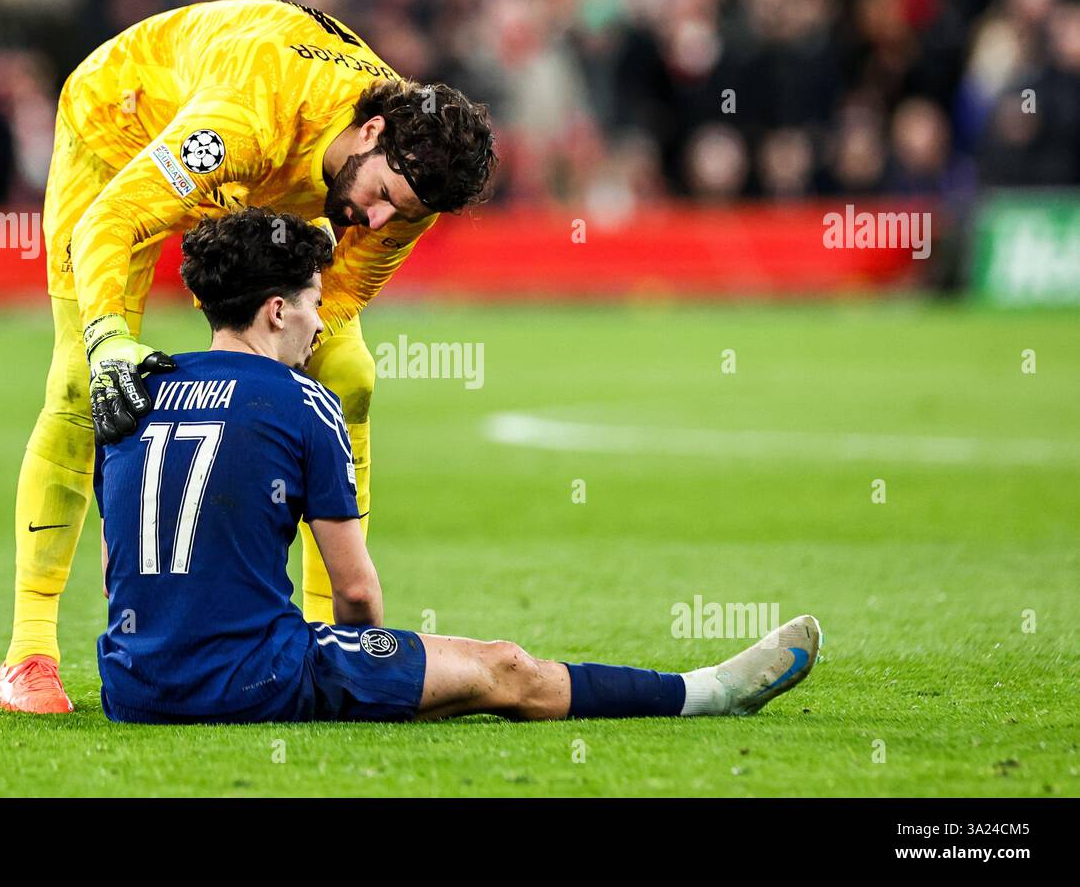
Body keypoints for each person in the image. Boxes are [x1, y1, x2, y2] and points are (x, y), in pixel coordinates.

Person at [93, 208, 821, 725]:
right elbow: (355, 595)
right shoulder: (300, 402)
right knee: (503, 667)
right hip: (253, 681)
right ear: (277, 311)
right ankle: (710, 693)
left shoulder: (133, 391)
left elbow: (115, 574)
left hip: (132, 686)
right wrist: (367, 660)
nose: (324, 323)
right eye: (316, 303)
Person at [0, 0, 497, 713]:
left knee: (348, 375)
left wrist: (283, 372)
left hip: (268, 185)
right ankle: (29, 652)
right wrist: (109, 340)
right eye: (382, 197)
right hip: (122, 124)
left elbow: (337, 294)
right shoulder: (247, 115)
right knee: (82, 385)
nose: (380, 221)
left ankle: (329, 635)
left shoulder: (408, 185)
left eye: (404, 214)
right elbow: (114, 217)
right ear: (372, 130)